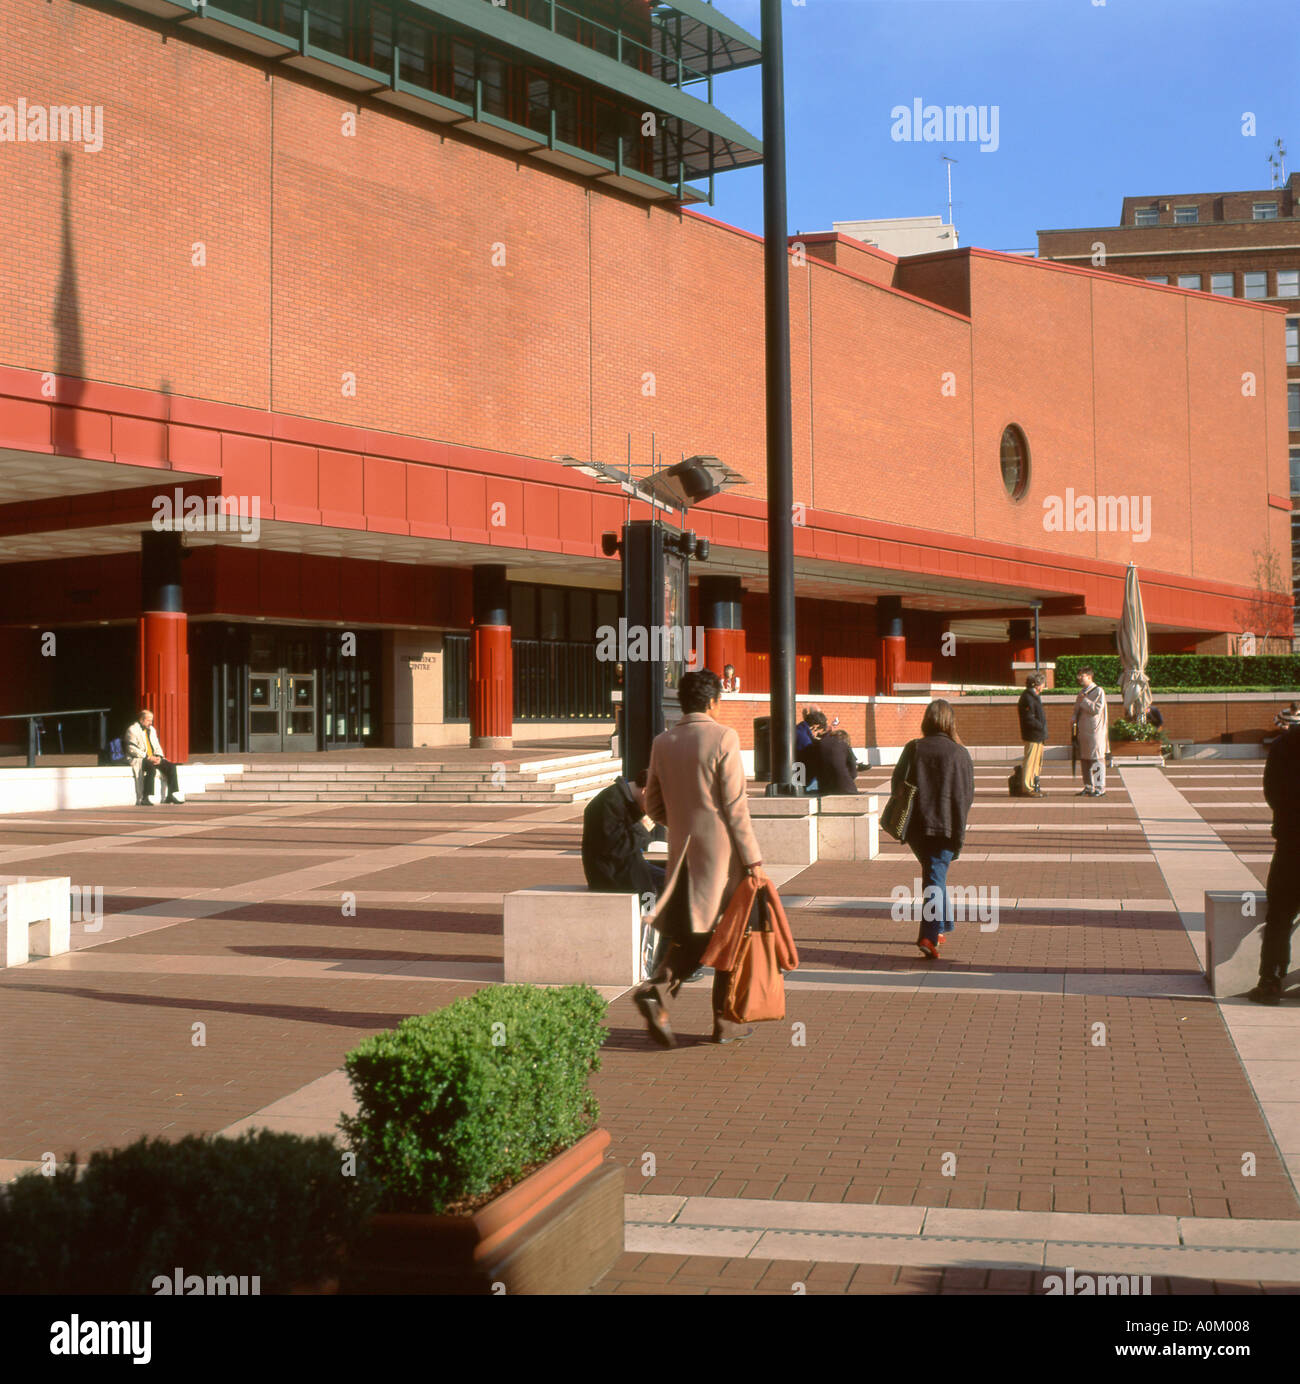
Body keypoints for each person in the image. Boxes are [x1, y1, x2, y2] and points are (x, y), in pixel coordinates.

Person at [632, 668, 768, 1047]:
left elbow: (654, 803)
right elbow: (735, 806)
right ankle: (725, 1020)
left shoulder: (663, 741)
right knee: (734, 932)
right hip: (725, 857)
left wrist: (681, 824)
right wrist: (754, 861)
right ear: (713, 701)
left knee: (694, 931)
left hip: (682, 853)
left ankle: (658, 990)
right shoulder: (724, 737)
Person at [892, 699, 974, 959]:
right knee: (934, 878)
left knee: (934, 876)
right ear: (951, 721)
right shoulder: (960, 753)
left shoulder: (914, 748)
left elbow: (897, 784)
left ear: (926, 720)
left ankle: (940, 926)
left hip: (917, 827)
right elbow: (967, 794)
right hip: (948, 825)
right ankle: (929, 934)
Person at [1247, 721, 1300, 1004]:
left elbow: (1271, 792)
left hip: (1291, 842)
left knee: (1279, 916)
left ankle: (1270, 979)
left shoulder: (1284, 745)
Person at [581, 769, 664, 901]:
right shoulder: (610, 802)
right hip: (611, 875)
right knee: (653, 892)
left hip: (627, 867)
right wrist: (641, 829)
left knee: (673, 881)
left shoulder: (628, 801)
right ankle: (650, 918)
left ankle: (653, 918)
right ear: (645, 791)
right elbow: (614, 848)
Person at [125, 709, 185, 806]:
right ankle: (146, 797)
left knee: (171, 767)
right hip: (140, 758)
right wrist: (148, 757)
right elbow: (131, 748)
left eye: (151, 720)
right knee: (151, 768)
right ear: (141, 720)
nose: (151, 723)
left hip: (152, 757)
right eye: (148, 720)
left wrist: (159, 757)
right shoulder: (132, 730)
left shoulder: (152, 730)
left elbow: (156, 745)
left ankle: (171, 795)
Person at [1072, 666, 1109, 798]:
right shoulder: (1082, 692)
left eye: (1082, 675)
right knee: (1085, 759)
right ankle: (1088, 786)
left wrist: (1085, 700)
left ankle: (1100, 787)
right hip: (1083, 731)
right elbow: (1076, 708)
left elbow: (1097, 709)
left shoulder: (1098, 691)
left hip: (1095, 731)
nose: (1079, 678)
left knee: (1097, 759)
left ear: (1089, 676)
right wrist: (1073, 718)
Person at [1017, 672, 1048, 797]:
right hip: (1033, 734)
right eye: (1043, 683)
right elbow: (1028, 718)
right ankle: (1027, 787)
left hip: (1038, 734)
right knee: (1030, 761)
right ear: (1037, 684)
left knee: (1037, 762)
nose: (1044, 686)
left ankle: (1035, 785)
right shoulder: (1028, 697)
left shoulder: (1034, 696)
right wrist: (1040, 727)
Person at [816, 727, 859, 795]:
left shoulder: (820, 744)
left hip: (825, 788)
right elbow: (853, 772)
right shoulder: (845, 745)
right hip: (846, 788)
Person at [795, 709, 827, 794]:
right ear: (815, 726)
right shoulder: (804, 738)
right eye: (818, 732)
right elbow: (810, 760)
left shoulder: (799, 729)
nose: (817, 735)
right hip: (801, 777)